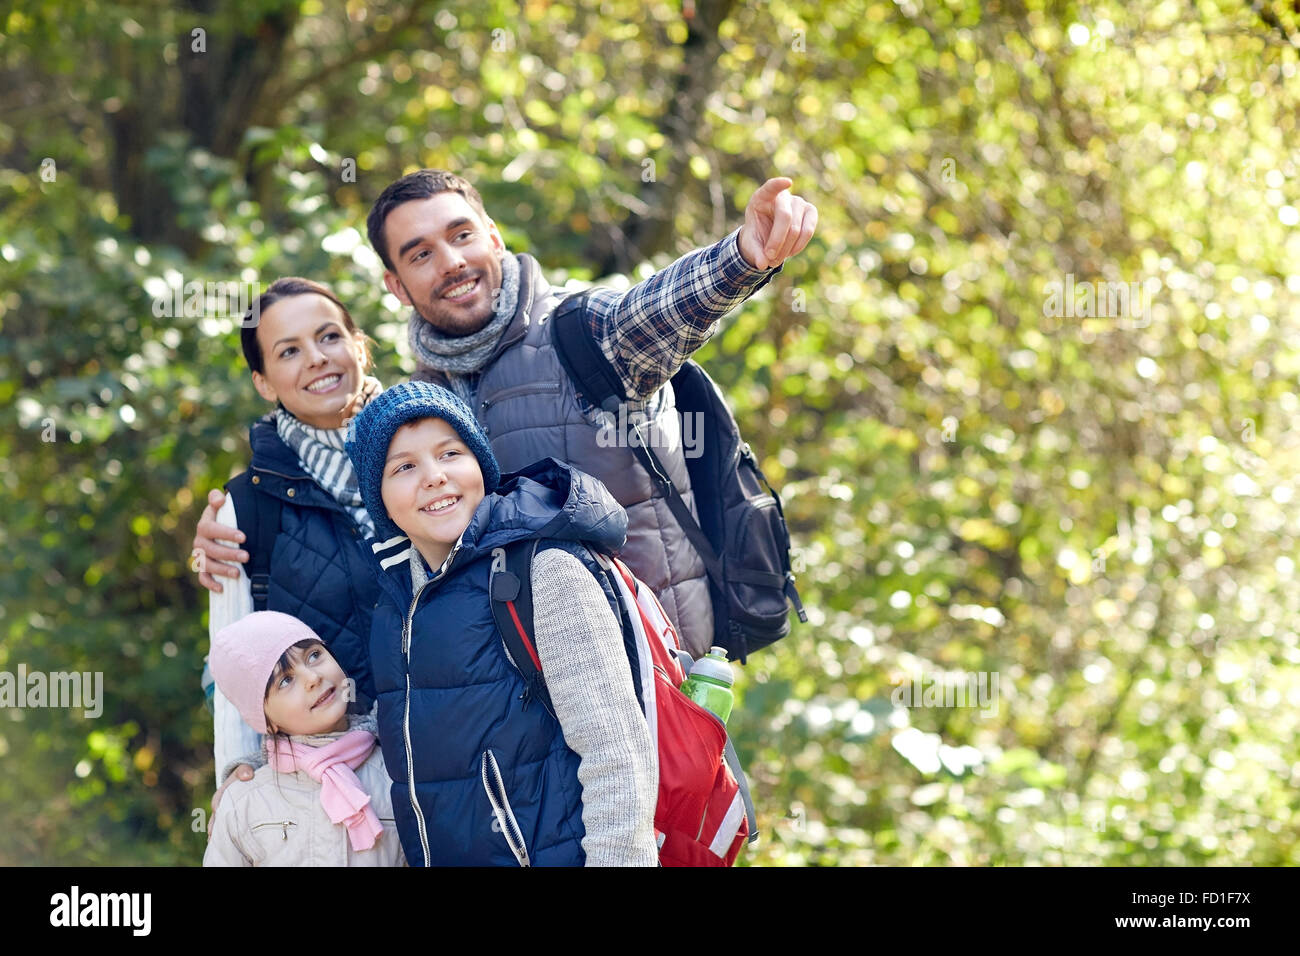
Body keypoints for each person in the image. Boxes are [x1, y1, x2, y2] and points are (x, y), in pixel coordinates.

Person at [192, 171, 818, 658]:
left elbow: (659, 308)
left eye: (461, 236)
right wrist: (220, 532)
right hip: (524, 709)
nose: (452, 263)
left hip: (658, 679)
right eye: (420, 254)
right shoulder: (419, 402)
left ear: (493, 236)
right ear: (395, 285)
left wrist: (743, 255)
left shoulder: (583, 334)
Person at [346, 380, 658, 866]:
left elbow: (617, 754)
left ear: (479, 464)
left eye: (450, 453)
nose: (433, 477)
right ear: (379, 500)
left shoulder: (542, 572)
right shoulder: (395, 606)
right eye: (404, 467)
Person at [206, 277, 384, 784]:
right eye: (289, 351)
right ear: (264, 382)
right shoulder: (242, 508)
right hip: (335, 781)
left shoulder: (431, 452)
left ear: (359, 346)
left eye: (329, 337)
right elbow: (232, 657)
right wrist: (237, 772)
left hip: (469, 746)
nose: (317, 358)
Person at [203, 611, 405, 867]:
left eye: (314, 655)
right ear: (266, 721)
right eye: (285, 681)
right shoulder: (243, 802)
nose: (313, 678)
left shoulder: (396, 774)